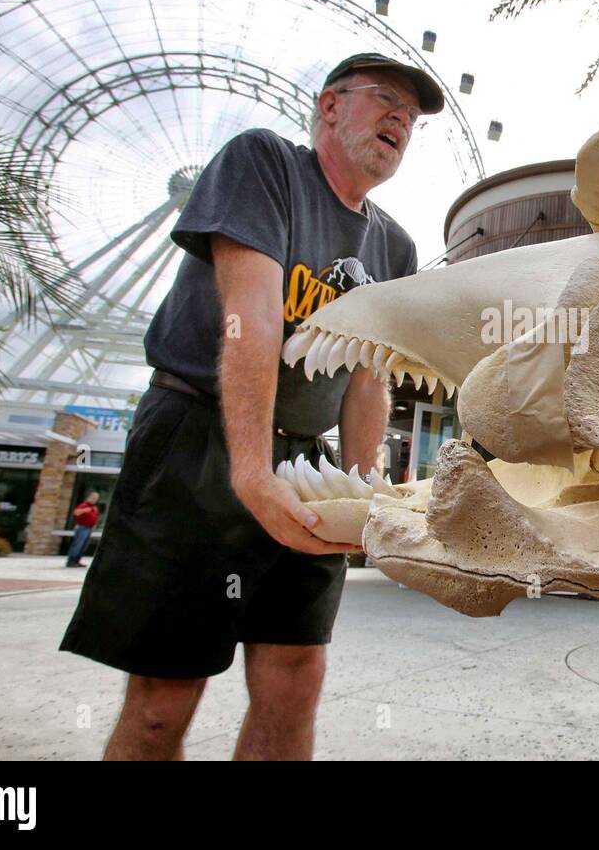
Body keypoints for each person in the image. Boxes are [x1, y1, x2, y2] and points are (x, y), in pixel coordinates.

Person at [60, 52, 443, 760]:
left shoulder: (394, 244)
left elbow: (368, 379)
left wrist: (365, 497)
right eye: (384, 99)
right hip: (198, 437)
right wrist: (250, 472)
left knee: (294, 677)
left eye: (411, 118)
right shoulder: (263, 162)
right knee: (163, 698)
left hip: (307, 455)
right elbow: (253, 319)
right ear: (330, 106)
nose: (400, 120)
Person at [64, 491, 100, 568]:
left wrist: (94, 525)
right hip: (82, 528)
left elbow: (95, 517)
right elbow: (76, 512)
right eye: (93, 498)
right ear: (89, 497)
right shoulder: (84, 505)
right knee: (78, 545)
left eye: (96, 498)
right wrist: (84, 510)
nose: (95, 499)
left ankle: (77, 561)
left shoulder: (94, 507)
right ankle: (71, 561)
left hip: (89, 529)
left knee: (84, 546)